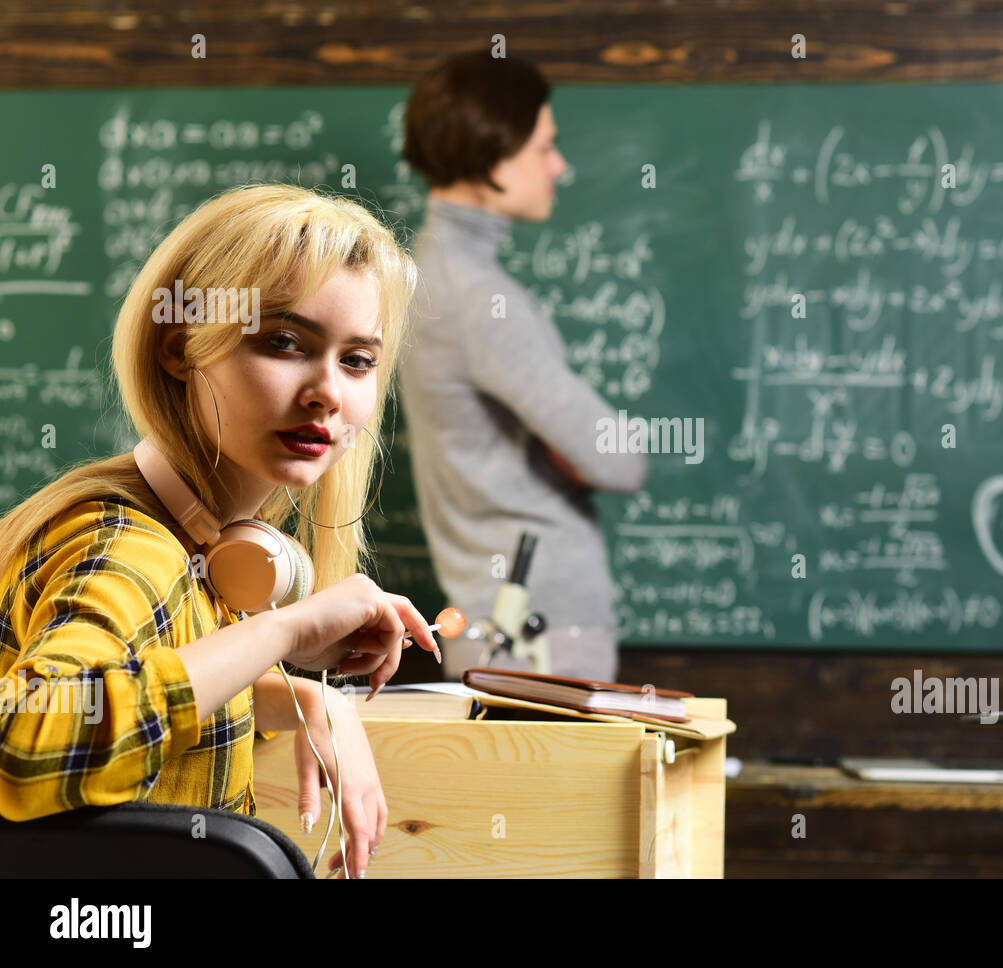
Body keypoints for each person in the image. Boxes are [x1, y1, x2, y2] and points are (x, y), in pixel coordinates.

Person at [0, 184, 440, 878]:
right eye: (284, 342)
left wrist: (299, 695)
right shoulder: (128, 546)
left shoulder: (202, 543)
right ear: (182, 347)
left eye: (357, 360)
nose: (327, 391)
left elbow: (149, 671)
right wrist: (280, 633)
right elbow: (26, 741)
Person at [400, 52, 649, 683]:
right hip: (537, 626)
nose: (558, 164)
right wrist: (568, 449)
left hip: (494, 615)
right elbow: (621, 459)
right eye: (544, 147)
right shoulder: (481, 299)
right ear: (493, 156)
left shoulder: (425, 276)